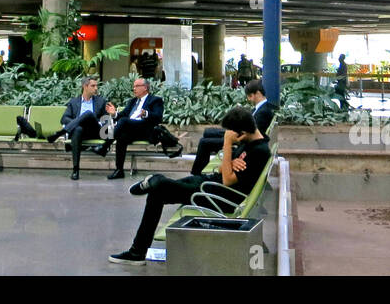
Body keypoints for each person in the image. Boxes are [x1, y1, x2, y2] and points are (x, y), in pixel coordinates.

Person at [110, 106, 270, 265]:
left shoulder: (259, 151)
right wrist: (230, 162)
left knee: (158, 188)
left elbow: (228, 180)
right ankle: (137, 251)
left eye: (231, 134)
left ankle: (154, 183)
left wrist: (227, 143)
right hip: (209, 185)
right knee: (157, 193)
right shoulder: (249, 142)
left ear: (241, 133)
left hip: (217, 197)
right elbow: (223, 169)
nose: (229, 136)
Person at [15, 76, 111, 180]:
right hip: (79, 131)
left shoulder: (101, 102)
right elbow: (64, 119)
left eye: (96, 86)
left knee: (88, 114)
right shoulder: (74, 102)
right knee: (78, 129)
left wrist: (97, 122)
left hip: (94, 130)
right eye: (93, 86)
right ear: (85, 86)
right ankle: (75, 170)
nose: (96, 88)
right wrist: (77, 122)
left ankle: (59, 133)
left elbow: (106, 120)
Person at [94, 78, 177, 179]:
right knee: (121, 137)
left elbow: (158, 117)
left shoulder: (155, 100)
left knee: (124, 121)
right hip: (131, 129)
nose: (134, 89)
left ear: (145, 88)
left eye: (136, 86)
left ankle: (105, 146)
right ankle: (119, 170)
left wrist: (146, 113)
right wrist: (114, 113)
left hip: (145, 130)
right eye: (133, 86)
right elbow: (123, 115)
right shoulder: (133, 101)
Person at [190, 79, 275, 175]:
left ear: (258, 93)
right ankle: (197, 172)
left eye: (250, 96)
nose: (249, 99)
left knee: (204, 142)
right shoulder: (260, 109)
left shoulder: (264, 111)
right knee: (207, 132)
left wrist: (229, 137)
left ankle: (196, 173)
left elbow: (252, 132)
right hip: (242, 135)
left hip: (242, 139)